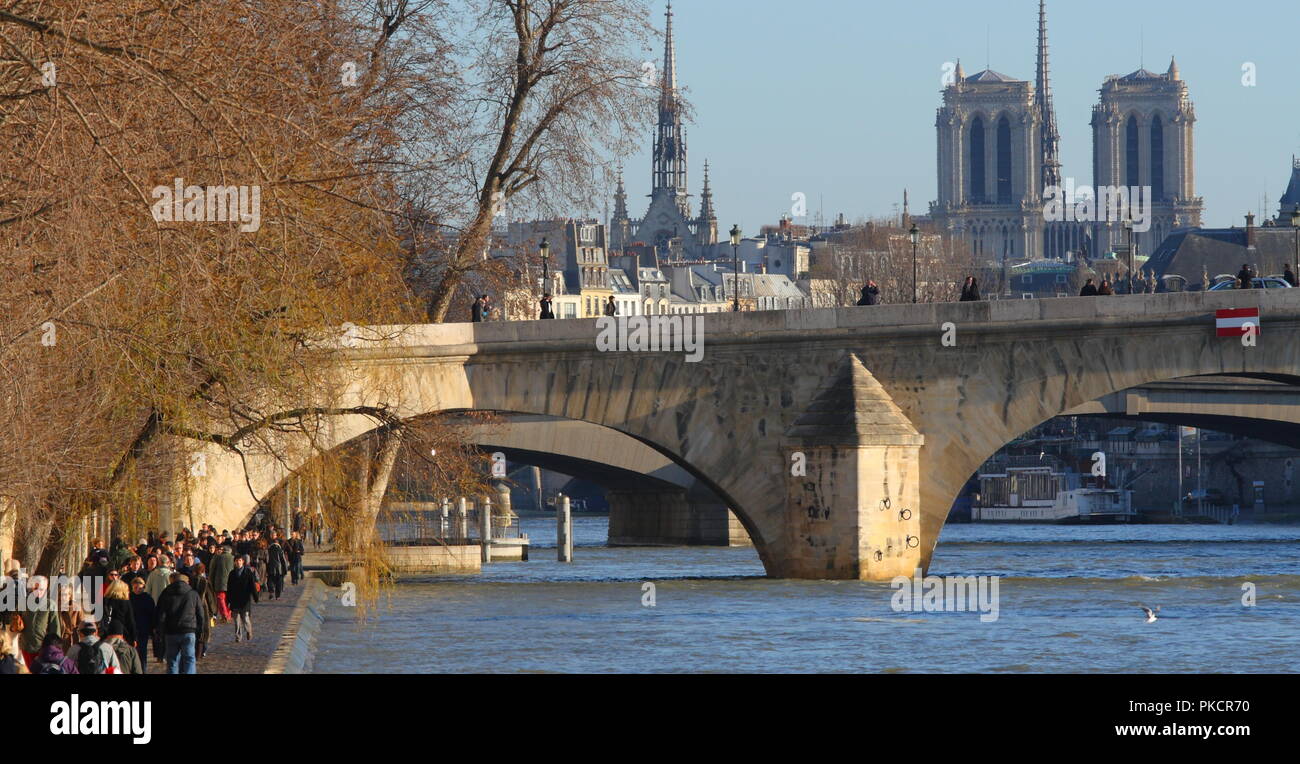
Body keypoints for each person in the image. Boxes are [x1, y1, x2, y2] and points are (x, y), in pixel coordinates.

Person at [155, 573, 203, 674]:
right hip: (188, 630)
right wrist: (200, 630)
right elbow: (200, 614)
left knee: (172, 661)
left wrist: (160, 631)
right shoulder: (192, 593)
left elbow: (161, 614)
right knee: (189, 659)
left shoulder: (166, 593)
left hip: (171, 631)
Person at [19, 576, 61, 669]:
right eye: (35, 588)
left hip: (43, 647)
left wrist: (54, 647)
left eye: (41, 589)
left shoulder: (50, 605)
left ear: (46, 589)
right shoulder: (23, 603)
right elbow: (16, 619)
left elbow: (55, 628)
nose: (38, 591)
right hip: (26, 645)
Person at [226, 555, 260, 642]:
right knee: (236, 621)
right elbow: (229, 588)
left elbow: (252, 586)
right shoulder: (232, 573)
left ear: (243, 562)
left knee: (245, 618)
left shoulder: (248, 572)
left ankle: (248, 631)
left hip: (245, 600)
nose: (238, 562)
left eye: (240, 560)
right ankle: (238, 636)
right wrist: (228, 600)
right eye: (237, 560)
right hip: (235, 600)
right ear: (234, 562)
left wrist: (256, 597)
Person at [100, 579, 136, 647]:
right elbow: (130, 621)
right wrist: (134, 637)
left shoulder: (104, 601)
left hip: (105, 632)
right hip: (121, 632)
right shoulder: (125, 602)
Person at [128, 577, 155, 669]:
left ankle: (142, 669)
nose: (138, 590)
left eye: (140, 588)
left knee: (142, 652)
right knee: (131, 652)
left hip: (143, 628)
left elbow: (152, 614)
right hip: (130, 628)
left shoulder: (148, 598)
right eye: (135, 588)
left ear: (144, 587)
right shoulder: (128, 598)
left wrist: (152, 628)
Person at [209, 543, 235, 622]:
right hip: (231, 582)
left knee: (221, 599)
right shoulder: (233, 558)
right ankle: (228, 614)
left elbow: (212, 571)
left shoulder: (217, 558)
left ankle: (225, 615)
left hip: (220, 582)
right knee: (229, 599)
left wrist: (211, 582)